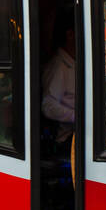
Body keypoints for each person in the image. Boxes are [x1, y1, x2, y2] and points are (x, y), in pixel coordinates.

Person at [42, 13, 77, 144]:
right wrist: (77, 116)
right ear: (70, 35)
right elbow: (48, 106)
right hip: (67, 139)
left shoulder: (73, 63)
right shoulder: (59, 66)